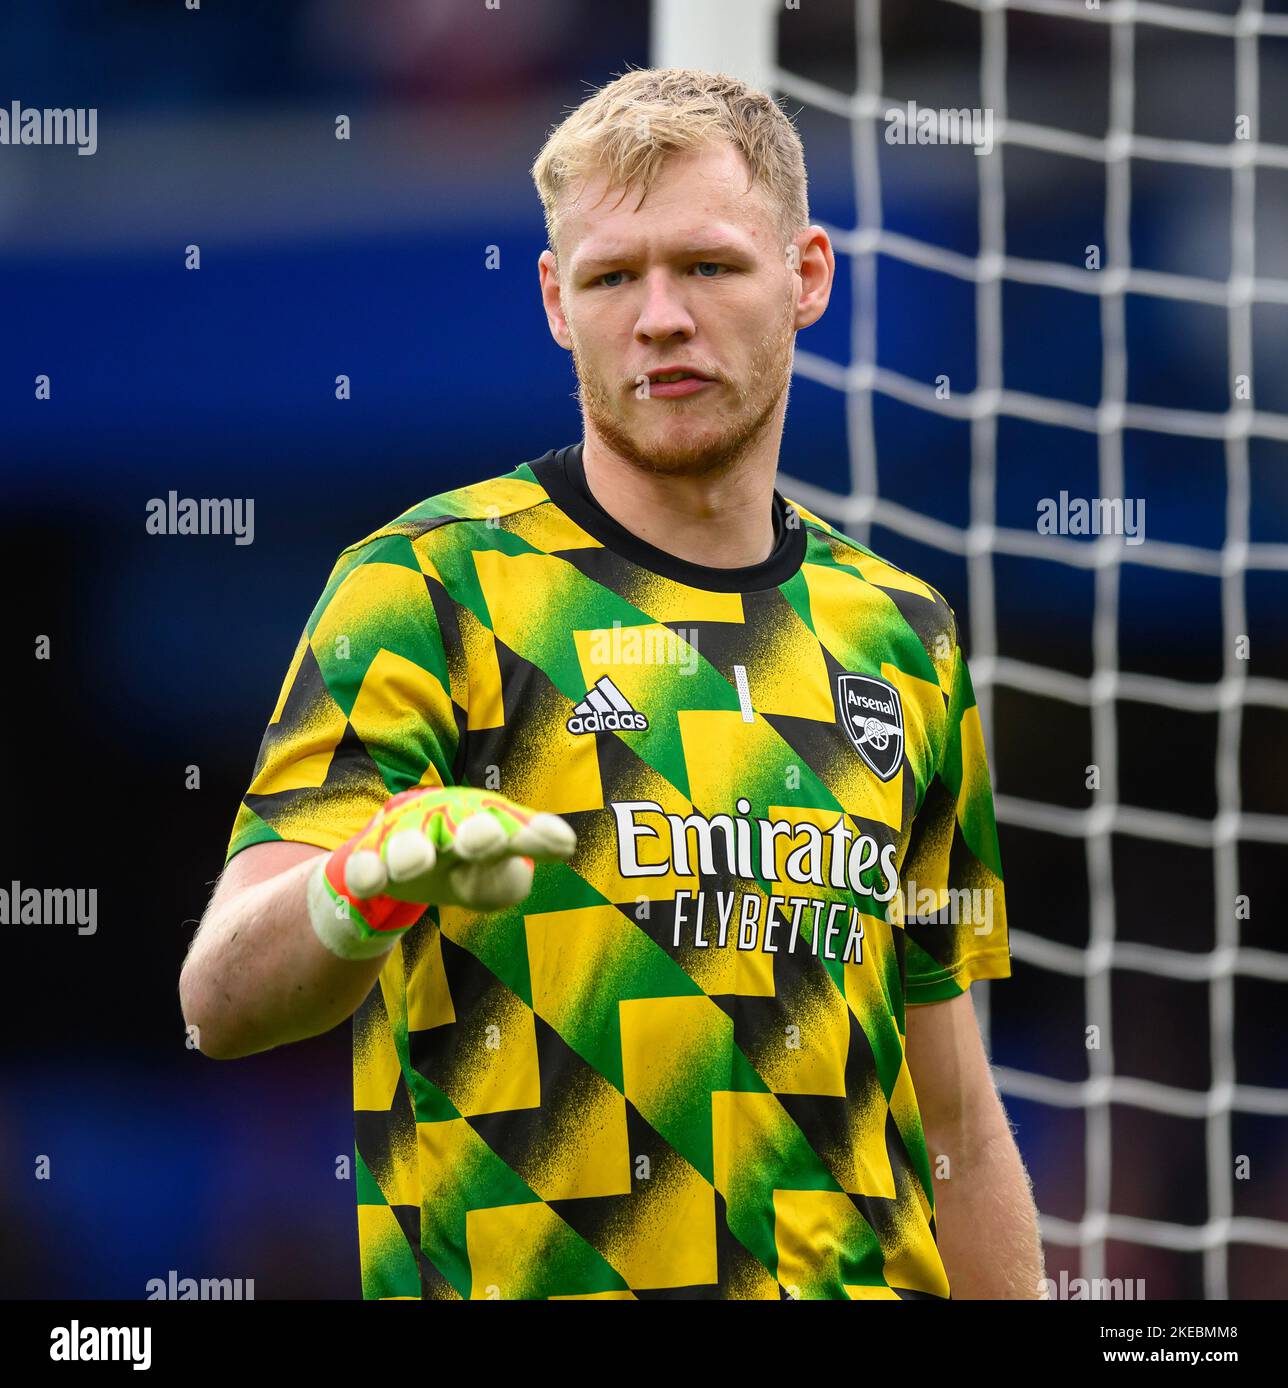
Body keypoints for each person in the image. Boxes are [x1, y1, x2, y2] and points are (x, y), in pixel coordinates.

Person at [180, 66, 1044, 1301]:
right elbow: (218, 1001)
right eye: (610, 277)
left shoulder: (902, 637)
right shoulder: (432, 589)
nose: (659, 318)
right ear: (553, 300)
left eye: (707, 267)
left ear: (806, 276)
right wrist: (362, 883)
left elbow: (952, 1108)